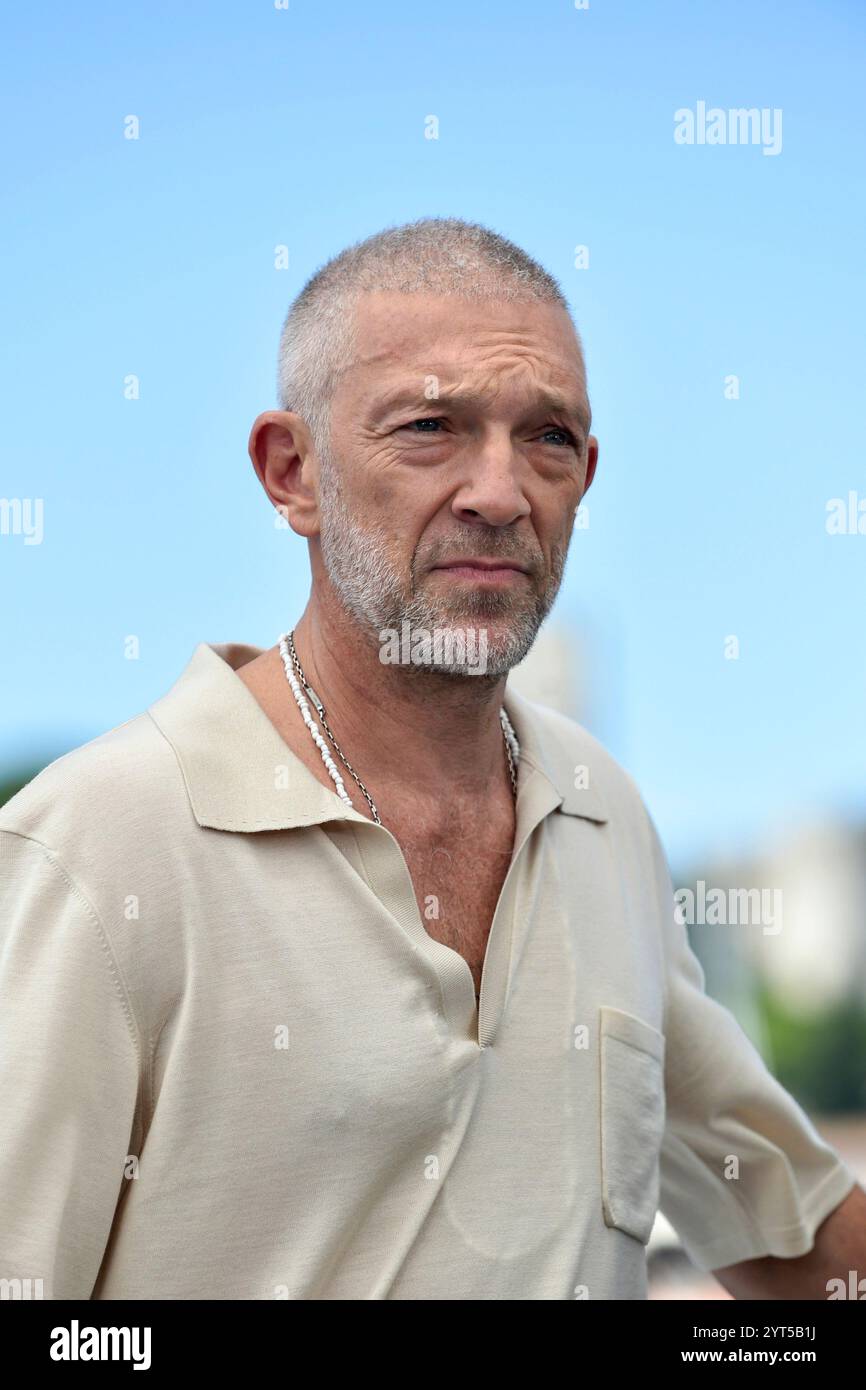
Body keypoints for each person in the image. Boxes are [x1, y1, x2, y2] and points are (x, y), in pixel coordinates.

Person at [0, 217, 862, 1300]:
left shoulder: (601, 819)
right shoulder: (96, 845)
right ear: (291, 472)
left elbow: (792, 1235)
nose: (499, 493)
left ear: (585, 476)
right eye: (430, 426)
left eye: (547, 437)